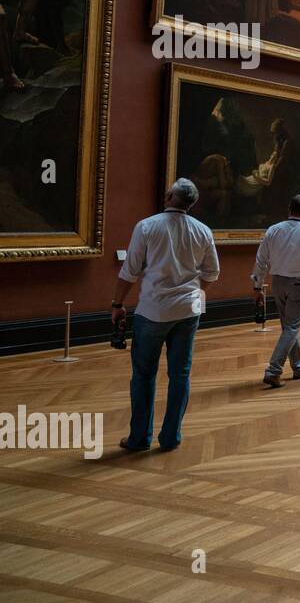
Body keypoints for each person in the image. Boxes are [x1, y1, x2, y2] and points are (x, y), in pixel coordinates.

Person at [111, 178, 220, 453]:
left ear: (170, 195)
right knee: (180, 374)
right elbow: (212, 273)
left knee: (144, 375)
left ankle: (139, 438)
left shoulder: (147, 226)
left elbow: (130, 271)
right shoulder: (203, 231)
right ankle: (170, 437)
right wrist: (196, 293)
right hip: (189, 309)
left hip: (154, 309)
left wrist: (117, 303)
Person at [252, 194, 300, 388]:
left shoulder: (273, 230)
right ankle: (273, 370)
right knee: (292, 327)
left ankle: (298, 366)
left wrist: (257, 285)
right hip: (298, 285)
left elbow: (261, 260)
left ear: (289, 208)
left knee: (289, 326)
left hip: (277, 283)